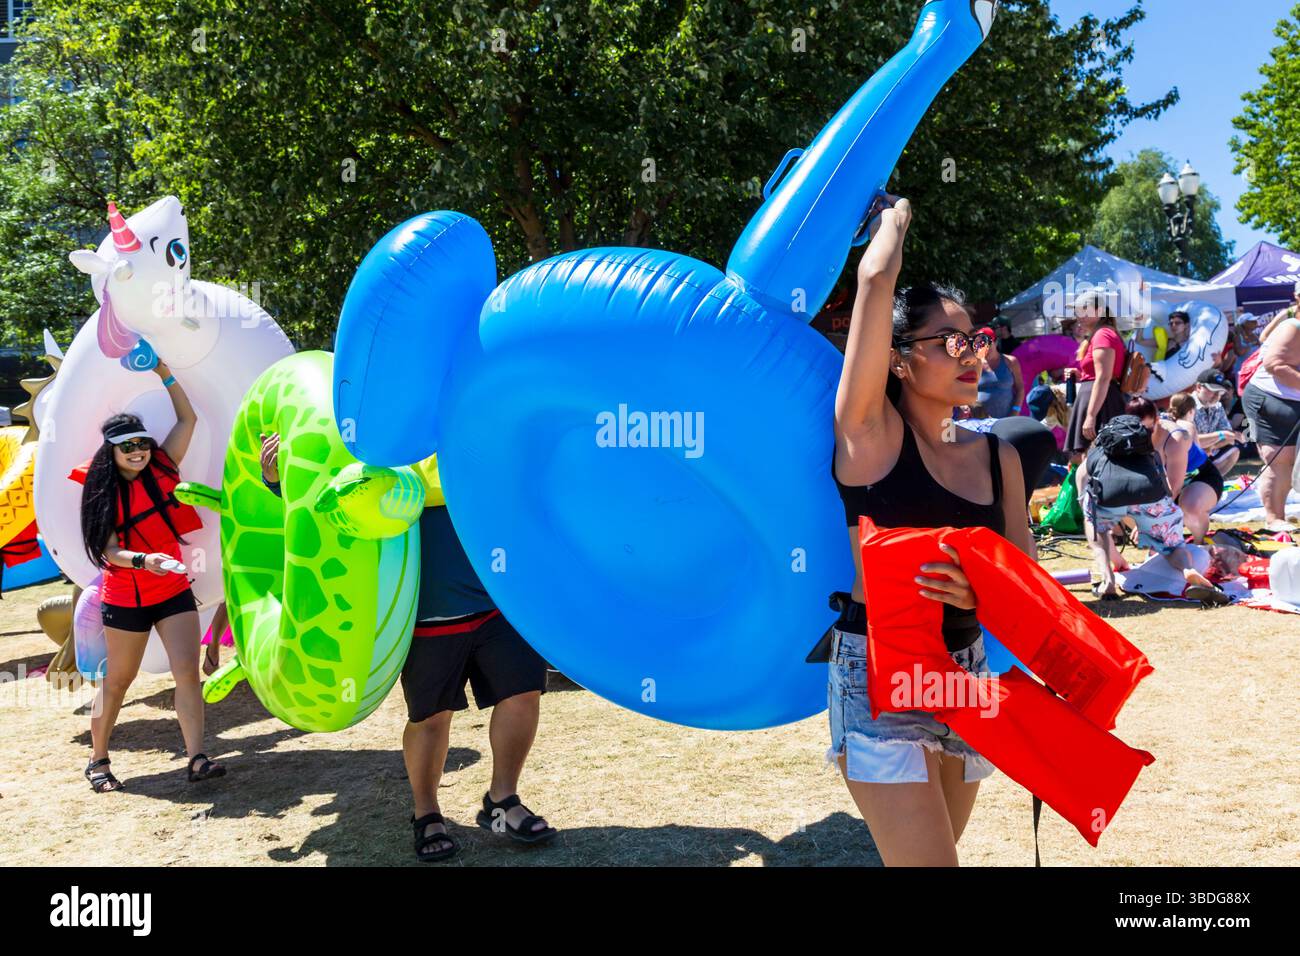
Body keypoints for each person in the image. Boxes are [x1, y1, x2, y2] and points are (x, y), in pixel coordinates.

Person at [831, 194, 1032, 867]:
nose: (971, 354)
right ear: (899, 360)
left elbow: (1026, 589)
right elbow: (874, 283)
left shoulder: (999, 457)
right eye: (951, 342)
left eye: (976, 338)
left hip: (966, 671)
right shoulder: (870, 438)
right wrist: (895, 220)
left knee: (939, 851)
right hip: (879, 677)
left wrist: (981, 596)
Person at [258, 435, 556, 862]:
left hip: (499, 603)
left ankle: (502, 800)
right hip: (426, 616)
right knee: (431, 717)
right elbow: (333, 499)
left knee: (523, 694)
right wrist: (277, 482)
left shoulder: (478, 420)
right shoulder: (379, 430)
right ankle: (426, 812)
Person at [76, 362, 224, 792]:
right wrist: (146, 561)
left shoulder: (162, 466)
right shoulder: (102, 490)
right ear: (112, 452)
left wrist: (163, 372)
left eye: (143, 443)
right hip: (126, 597)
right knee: (119, 681)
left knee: (187, 673)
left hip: (173, 589)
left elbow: (187, 418)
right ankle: (98, 759)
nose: (139, 451)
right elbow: (109, 551)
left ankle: (196, 756)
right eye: (129, 447)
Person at [1080, 400, 1220, 600]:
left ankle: (1108, 579)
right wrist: (1148, 519)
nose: (1143, 435)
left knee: (1096, 528)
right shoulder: (1138, 445)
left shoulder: (1171, 437)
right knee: (1173, 547)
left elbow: (1173, 486)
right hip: (1150, 493)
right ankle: (1187, 568)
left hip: (1190, 480)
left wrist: (1135, 527)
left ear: (1157, 420)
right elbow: (1159, 491)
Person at [1240, 294, 1300, 532]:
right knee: (1279, 461)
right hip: (1269, 399)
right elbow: (1274, 364)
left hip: (1291, 400)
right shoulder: (1292, 326)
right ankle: (1274, 518)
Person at [1063, 290, 1127, 462]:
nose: (1079, 315)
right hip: (1100, 400)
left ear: (1099, 311)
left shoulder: (1103, 334)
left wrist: (1091, 415)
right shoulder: (1100, 334)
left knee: (1097, 460)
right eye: (1077, 310)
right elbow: (1101, 375)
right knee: (1092, 459)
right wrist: (1082, 375)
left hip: (1101, 404)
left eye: (1085, 309)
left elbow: (1104, 377)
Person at [1166, 394, 1224, 543]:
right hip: (1186, 477)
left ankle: (1199, 540)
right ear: (1192, 411)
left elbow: (1192, 452)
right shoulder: (1185, 426)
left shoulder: (1179, 427)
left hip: (1196, 478)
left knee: (1190, 506)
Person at [1189, 369, 1246, 474]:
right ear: (1198, 387)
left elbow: (1229, 438)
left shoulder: (1217, 405)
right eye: (1212, 390)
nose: (1216, 396)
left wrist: (1212, 446)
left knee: (1234, 449)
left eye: (1220, 392)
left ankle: (1212, 481)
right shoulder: (1186, 405)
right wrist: (1221, 435)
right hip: (1187, 457)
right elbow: (1192, 442)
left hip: (1208, 451)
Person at [976, 328, 1023, 419]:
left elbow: (1020, 389)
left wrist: (1015, 411)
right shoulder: (975, 365)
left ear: (996, 342)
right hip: (981, 421)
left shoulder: (1010, 361)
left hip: (1008, 420)